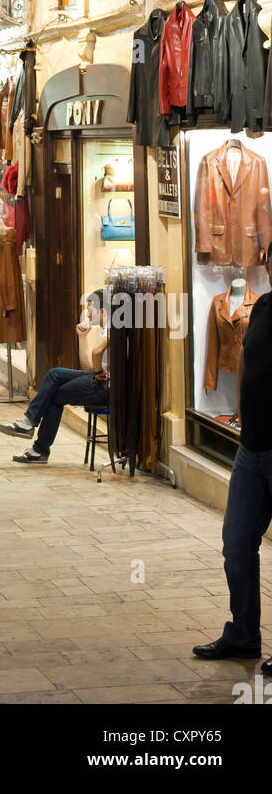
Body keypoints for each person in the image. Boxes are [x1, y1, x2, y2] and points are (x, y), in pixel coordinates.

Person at [193, 246, 272, 672]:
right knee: (237, 544)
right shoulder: (262, 308)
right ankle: (244, 634)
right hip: (252, 448)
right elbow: (245, 360)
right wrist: (241, 412)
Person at [0, 289, 110, 461]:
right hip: (95, 378)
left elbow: (96, 353)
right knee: (54, 374)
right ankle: (29, 426)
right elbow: (87, 368)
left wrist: (100, 371)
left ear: (102, 310)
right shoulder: (104, 329)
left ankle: (37, 445)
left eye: (90, 308)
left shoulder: (113, 327)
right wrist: (82, 338)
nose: (86, 313)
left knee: (53, 394)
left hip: (104, 386)